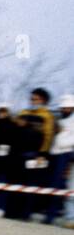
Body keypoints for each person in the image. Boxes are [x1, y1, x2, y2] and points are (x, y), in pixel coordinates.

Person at [15, 88, 58, 221]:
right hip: (19, 152)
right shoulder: (23, 112)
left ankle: (26, 214)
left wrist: (42, 153)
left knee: (31, 183)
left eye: (36, 99)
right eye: (32, 98)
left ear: (44, 100)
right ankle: (14, 212)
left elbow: (48, 135)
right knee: (18, 181)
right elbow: (14, 125)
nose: (33, 101)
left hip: (35, 154)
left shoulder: (47, 116)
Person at [51, 94, 74, 223]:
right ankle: (52, 213)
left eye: (67, 107)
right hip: (57, 154)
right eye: (63, 107)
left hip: (68, 154)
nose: (65, 110)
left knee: (67, 185)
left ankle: (69, 217)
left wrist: (61, 134)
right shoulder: (59, 120)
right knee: (55, 185)